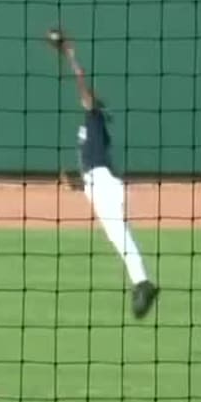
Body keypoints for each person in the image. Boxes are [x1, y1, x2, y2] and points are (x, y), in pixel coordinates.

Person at [49, 28, 159, 319]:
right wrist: (75, 184)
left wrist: (70, 56)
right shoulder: (92, 129)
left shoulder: (93, 117)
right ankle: (141, 282)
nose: (88, 98)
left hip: (104, 185)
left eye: (91, 99)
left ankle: (143, 282)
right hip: (99, 185)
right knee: (118, 236)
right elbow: (91, 165)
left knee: (119, 235)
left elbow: (83, 86)